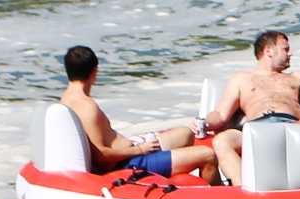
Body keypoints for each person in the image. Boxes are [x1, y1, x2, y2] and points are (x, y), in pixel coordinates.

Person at [59, 44, 224, 183]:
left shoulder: (65, 100)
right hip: (128, 163)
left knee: (185, 134)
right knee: (208, 155)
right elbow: (102, 156)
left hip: (129, 153)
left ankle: (176, 183)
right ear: (94, 73)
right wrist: (140, 150)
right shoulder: (88, 108)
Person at [205, 28, 300, 146]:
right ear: (269, 51)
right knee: (222, 141)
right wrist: (204, 123)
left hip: (292, 126)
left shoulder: (297, 78)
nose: (290, 53)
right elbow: (220, 115)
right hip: (256, 129)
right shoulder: (242, 79)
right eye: (285, 49)